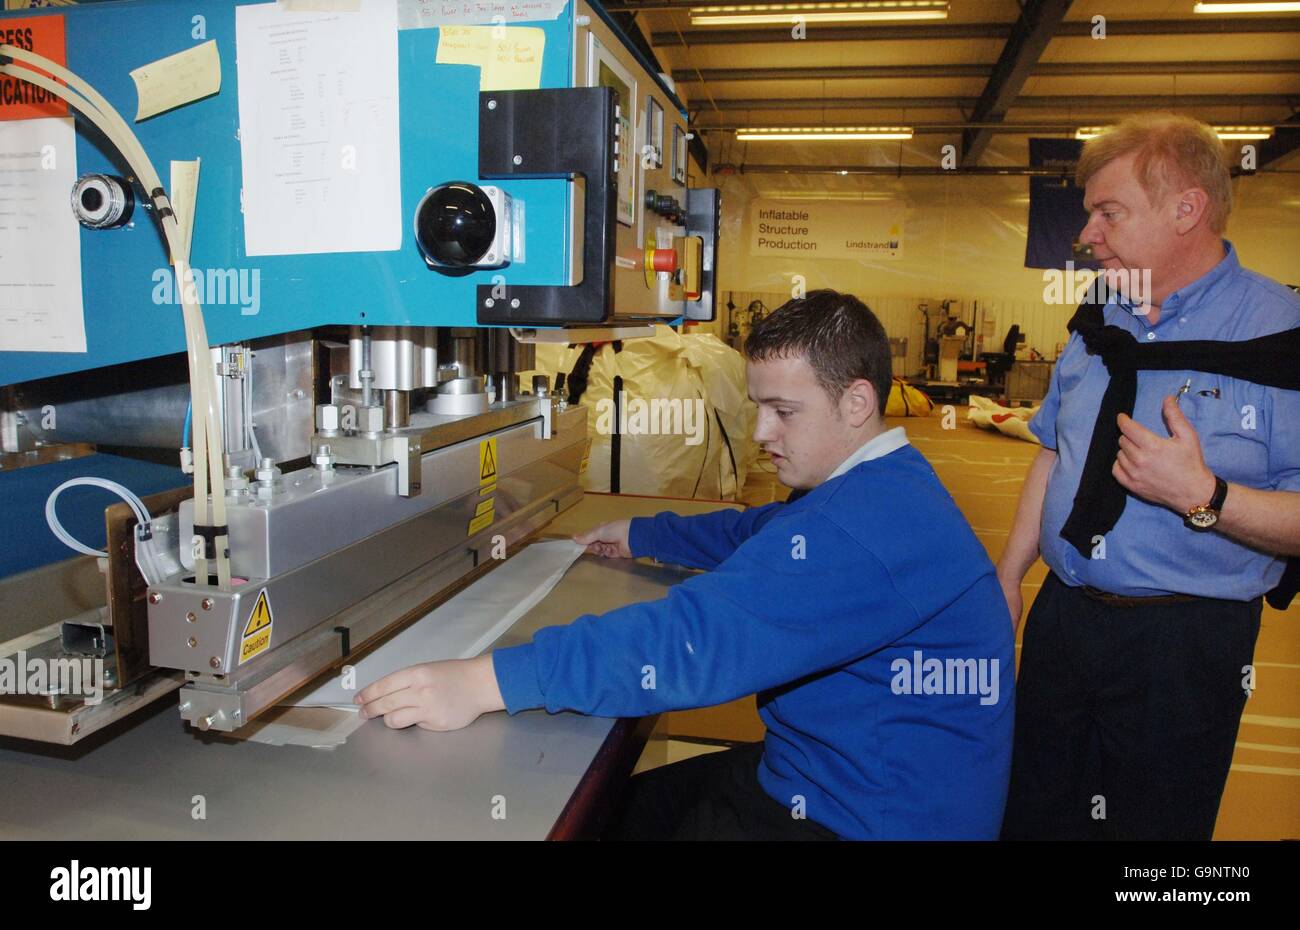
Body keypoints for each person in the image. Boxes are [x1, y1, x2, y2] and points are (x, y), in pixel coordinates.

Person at [356, 290, 1015, 840]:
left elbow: (694, 643)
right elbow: (761, 529)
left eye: (784, 412)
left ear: (857, 403)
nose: (761, 433)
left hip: (863, 819)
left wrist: (484, 681)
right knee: (620, 811)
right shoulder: (880, 485)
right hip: (828, 773)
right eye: (759, 407)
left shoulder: (866, 528)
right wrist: (644, 533)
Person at [998, 112, 1300, 840]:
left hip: (1186, 645)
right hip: (1064, 618)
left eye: (1109, 212)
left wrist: (1206, 497)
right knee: (1031, 811)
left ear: (1185, 208)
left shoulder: (1279, 333)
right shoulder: (1100, 315)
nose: (1088, 234)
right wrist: (1009, 576)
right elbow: (1053, 451)